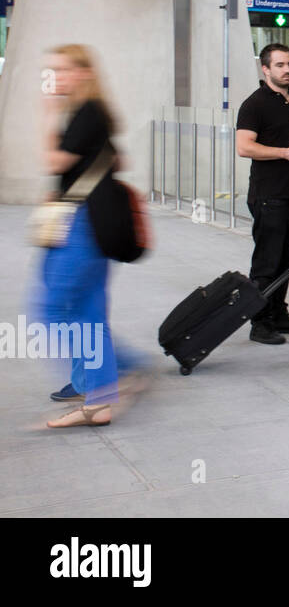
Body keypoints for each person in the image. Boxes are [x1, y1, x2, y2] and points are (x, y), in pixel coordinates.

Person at [37, 45, 142, 427]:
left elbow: (54, 161)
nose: (56, 77)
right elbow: (118, 159)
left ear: (83, 73)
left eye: (63, 70)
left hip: (83, 223)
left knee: (52, 308)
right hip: (88, 219)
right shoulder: (92, 113)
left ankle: (116, 375)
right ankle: (100, 390)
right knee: (87, 309)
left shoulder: (87, 111)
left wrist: (48, 114)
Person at [235, 43, 289, 345]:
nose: (286, 69)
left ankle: (278, 313)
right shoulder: (255, 103)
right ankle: (259, 322)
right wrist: (283, 153)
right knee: (267, 261)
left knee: (288, 260)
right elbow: (244, 146)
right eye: (279, 65)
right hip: (269, 195)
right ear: (265, 69)